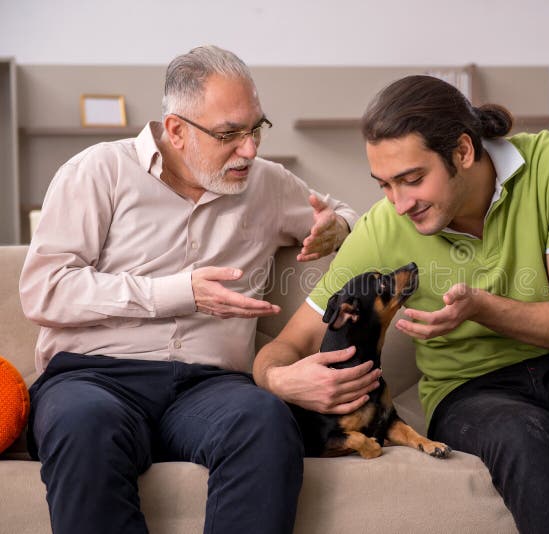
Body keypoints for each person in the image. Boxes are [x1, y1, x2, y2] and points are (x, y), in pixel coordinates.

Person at [253, 75, 549, 533]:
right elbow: (288, 344)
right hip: (471, 392)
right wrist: (280, 378)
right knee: (522, 438)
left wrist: (483, 307)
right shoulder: (383, 229)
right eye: (384, 185)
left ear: (462, 150)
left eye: (412, 179)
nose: (399, 204)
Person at [19, 45, 358, 534]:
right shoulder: (100, 171)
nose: (250, 149)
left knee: (264, 421)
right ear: (176, 129)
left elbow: (348, 217)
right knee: (82, 425)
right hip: (93, 380)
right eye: (229, 134)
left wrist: (339, 230)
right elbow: (44, 290)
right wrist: (177, 293)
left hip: (210, 388)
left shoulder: (265, 184)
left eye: (256, 128)